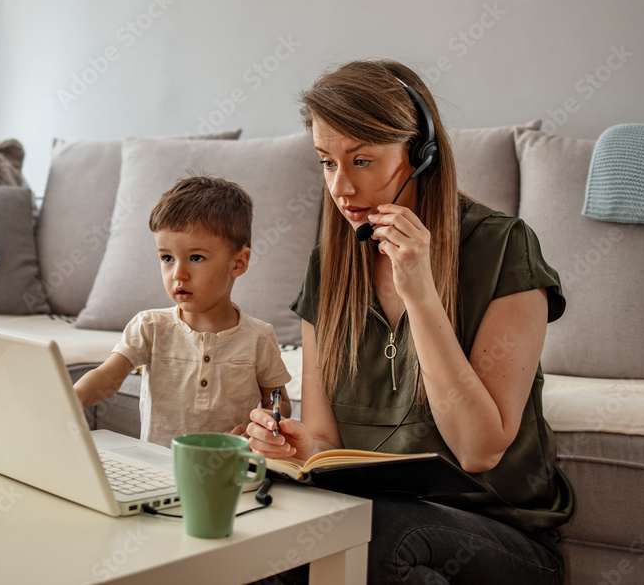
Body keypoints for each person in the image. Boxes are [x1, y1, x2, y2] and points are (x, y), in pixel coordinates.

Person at [245, 60, 572, 584]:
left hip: (499, 534)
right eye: (327, 163)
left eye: (363, 160)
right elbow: (326, 439)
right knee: (270, 536)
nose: (342, 188)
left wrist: (419, 293)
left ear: (420, 153)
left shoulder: (503, 248)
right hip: (385, 530)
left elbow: (478, 449)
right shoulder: (328, 267)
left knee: (374, 536)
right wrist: (294, 445)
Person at [75, 175, 293, 448]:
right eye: (167, 258)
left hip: (230, 471)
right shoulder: (149, 327)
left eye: (196, 258)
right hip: (158, 473)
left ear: (238, 263)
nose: (178, 273)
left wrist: (261, 424)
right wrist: (75, 395)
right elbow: (109, 376)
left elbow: (279, 403)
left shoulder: (259, 337)